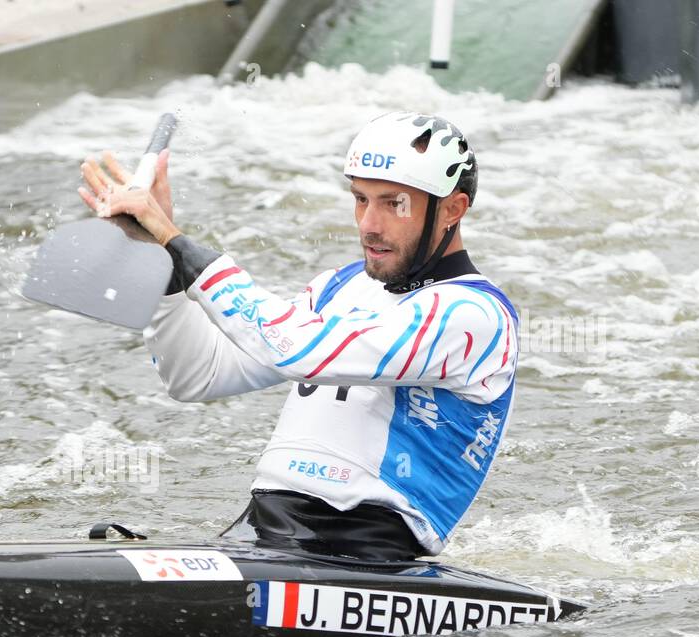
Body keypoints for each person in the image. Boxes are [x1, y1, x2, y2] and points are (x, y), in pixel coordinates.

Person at [79, 110, 518, 561]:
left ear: (452, 209)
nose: (368, 224)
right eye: (361, 199)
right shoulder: (339, 286)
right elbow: (197, 377)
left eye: (394, 204)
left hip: (369, 551)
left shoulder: (474, 315)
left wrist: (177, 240)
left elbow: (300, 352)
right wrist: (164, 261)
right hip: (262, 530)